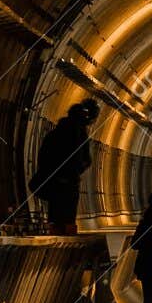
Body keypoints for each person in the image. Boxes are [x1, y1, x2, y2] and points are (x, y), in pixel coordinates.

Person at [30, 99, 99, 235]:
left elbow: (44, 156)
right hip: (70, 182)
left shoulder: (54, 133)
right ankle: (67, 234)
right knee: (68, 216)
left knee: (55, 214)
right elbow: (86, 160)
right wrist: (75, 172)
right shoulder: (80, 135)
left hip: (53, 180)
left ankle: (55, 233)